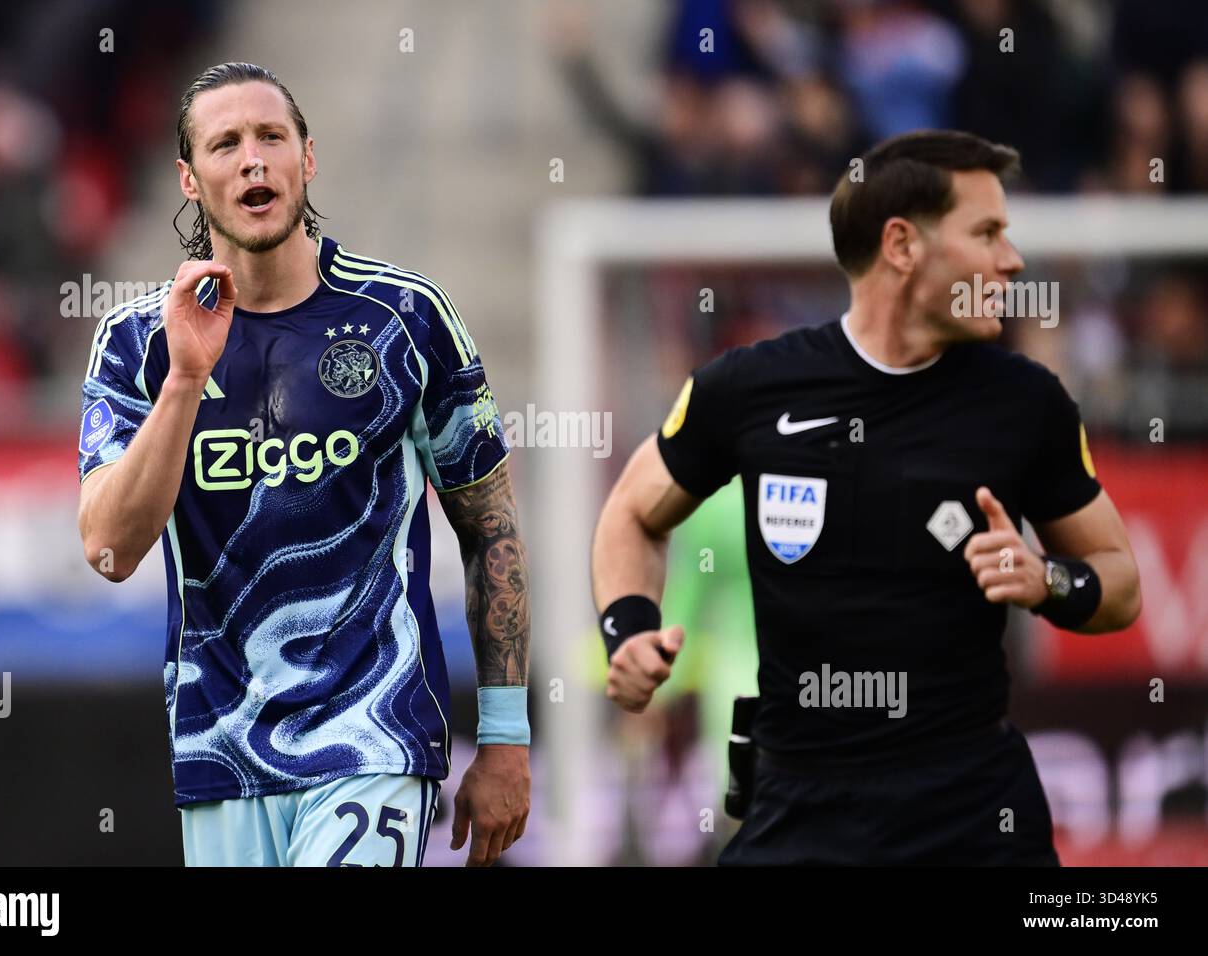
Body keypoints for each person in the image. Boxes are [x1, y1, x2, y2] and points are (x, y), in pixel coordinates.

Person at [590, 129, 1142, 865]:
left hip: (972, 812)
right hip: (800, 807)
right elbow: (631, 511)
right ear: (902, 245)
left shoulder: (1025, 403)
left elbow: (1121, 580)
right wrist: (628, 629)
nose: (1012, 261)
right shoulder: (751, 388)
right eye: (988, 233)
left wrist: (1048, 580)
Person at [77, 63, 529, 867]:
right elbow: (110, 550)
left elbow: (489, 528)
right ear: (188, 177)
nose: (252, 159)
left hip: (376, 733)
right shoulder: (137, 344)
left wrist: (504, 737)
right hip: (220, 748)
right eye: (225, 144)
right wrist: (186, 380)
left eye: (270, 137)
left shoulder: (405, 320)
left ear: (305, 160)